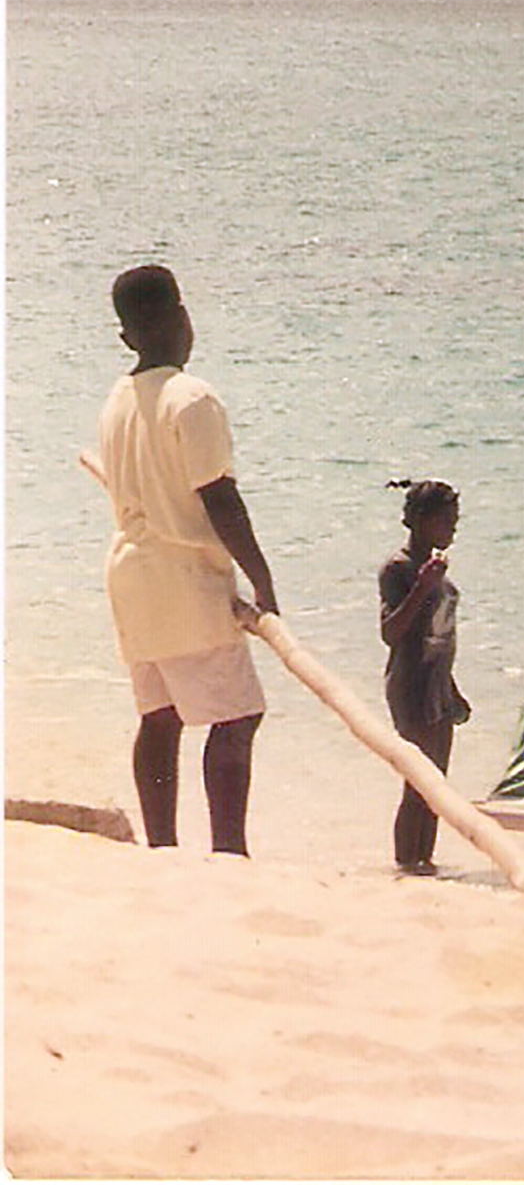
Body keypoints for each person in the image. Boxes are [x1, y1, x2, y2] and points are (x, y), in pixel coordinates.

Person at [92, 265, 278, 856]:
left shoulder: (117, 400)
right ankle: (228, 850)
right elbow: (218, 497)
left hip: (130, 574)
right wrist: (263, 580)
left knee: (160, 714)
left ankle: (162, 848)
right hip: (185, 576)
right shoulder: (191, 397)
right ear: (179, 318)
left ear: (127, 337)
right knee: (237, 715)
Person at [378, 479, 471, 875]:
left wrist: (452, 689)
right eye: (445, 520)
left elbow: (438, 639)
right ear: (418, 520)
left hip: (437, 685)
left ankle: (425, 862)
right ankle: (405, 863)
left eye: (456, 520)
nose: (453, 528)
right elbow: (391, 633)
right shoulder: (399, 569)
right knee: (418, 782)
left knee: (436, 786)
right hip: (409, 685)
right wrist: (422, 586)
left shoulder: (437, 569)